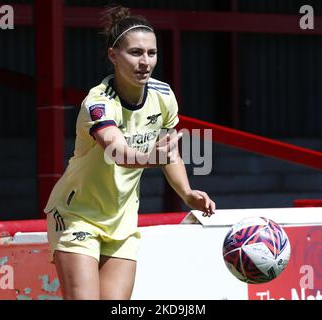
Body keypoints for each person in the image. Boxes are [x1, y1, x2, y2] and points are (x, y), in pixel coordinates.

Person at [44, 5, 216, 300]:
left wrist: (187, 193)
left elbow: (168, 151)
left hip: (122, 222)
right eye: (135, 53)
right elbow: (118, 152)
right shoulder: (97, 103)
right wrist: (153, 158)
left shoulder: (163, 96)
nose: (145, 62)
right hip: (77, 216)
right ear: (113, 56)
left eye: (152, 53)